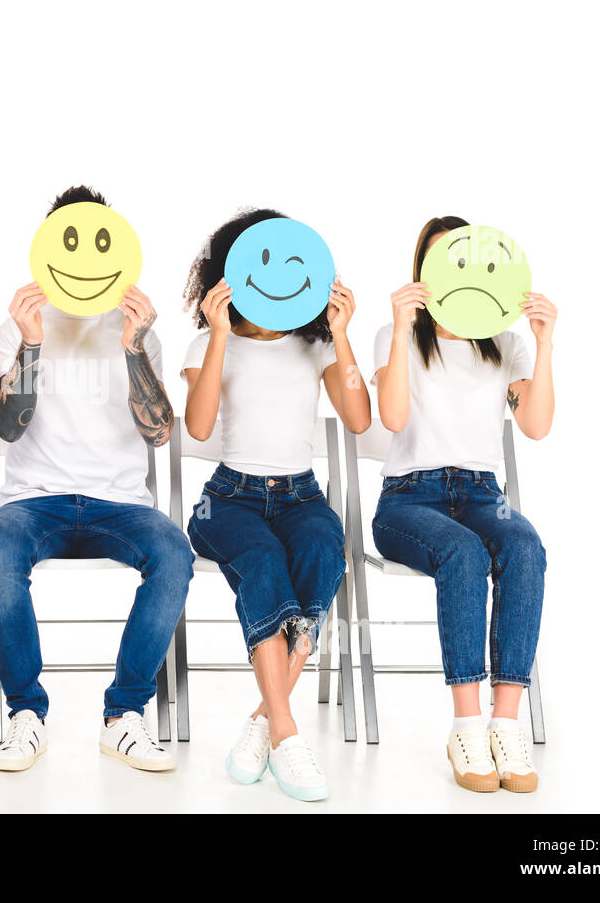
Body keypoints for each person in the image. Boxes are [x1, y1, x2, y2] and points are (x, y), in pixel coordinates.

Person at [0, 185, 193, 774]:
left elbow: (158, 432)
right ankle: (26, 713)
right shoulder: (18, 325)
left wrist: (134, 348)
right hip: (33, 501)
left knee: (173, 553)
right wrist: (31, 343)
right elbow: (8, 428)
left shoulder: (138, 328)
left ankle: (124, 716)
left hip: (120, 503)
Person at [181, 209, 370, 801]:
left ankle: (265, 719)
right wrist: (219, 334)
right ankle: (288, 733)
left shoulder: (315, 346)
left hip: (300, 495)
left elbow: (359, 418)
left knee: (323, 549)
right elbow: (199, 424)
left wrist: (341, 334)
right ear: (229, 272)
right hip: (227, 499)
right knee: (263, 561)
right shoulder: (207, 342)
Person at [372, 215, 556, 793]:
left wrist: (545, 343)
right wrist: (402, 329)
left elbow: (536, 426)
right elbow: (392, 418)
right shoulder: (395, 333)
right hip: (408, 498)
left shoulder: (506, 343)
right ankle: (467, 726)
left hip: (481, 494)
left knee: (524, 546)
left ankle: (506, 723)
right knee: (464, 552)